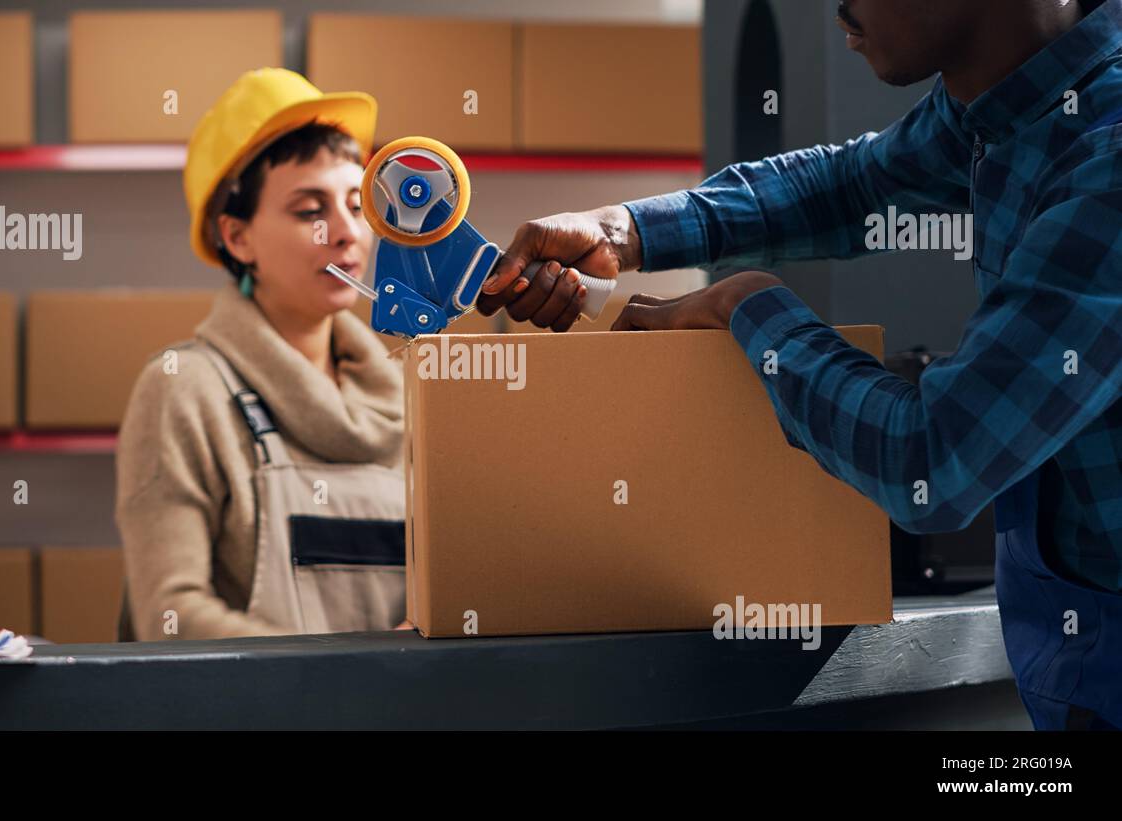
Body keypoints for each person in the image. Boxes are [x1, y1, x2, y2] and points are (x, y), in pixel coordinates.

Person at [479, 0, 1122, 730]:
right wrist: (623, 231)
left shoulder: (1108, 159)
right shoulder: (1009, 108)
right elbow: (850, 186)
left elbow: (933, 461)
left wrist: (747, 304)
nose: (838, 9)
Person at [115, 68, 411, 640]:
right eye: (310, 211)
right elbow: (170, 617)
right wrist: (353, 671)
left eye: (356, 203)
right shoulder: (184, 389)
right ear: (237, 237)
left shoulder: (408, 395)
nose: (347, 232)